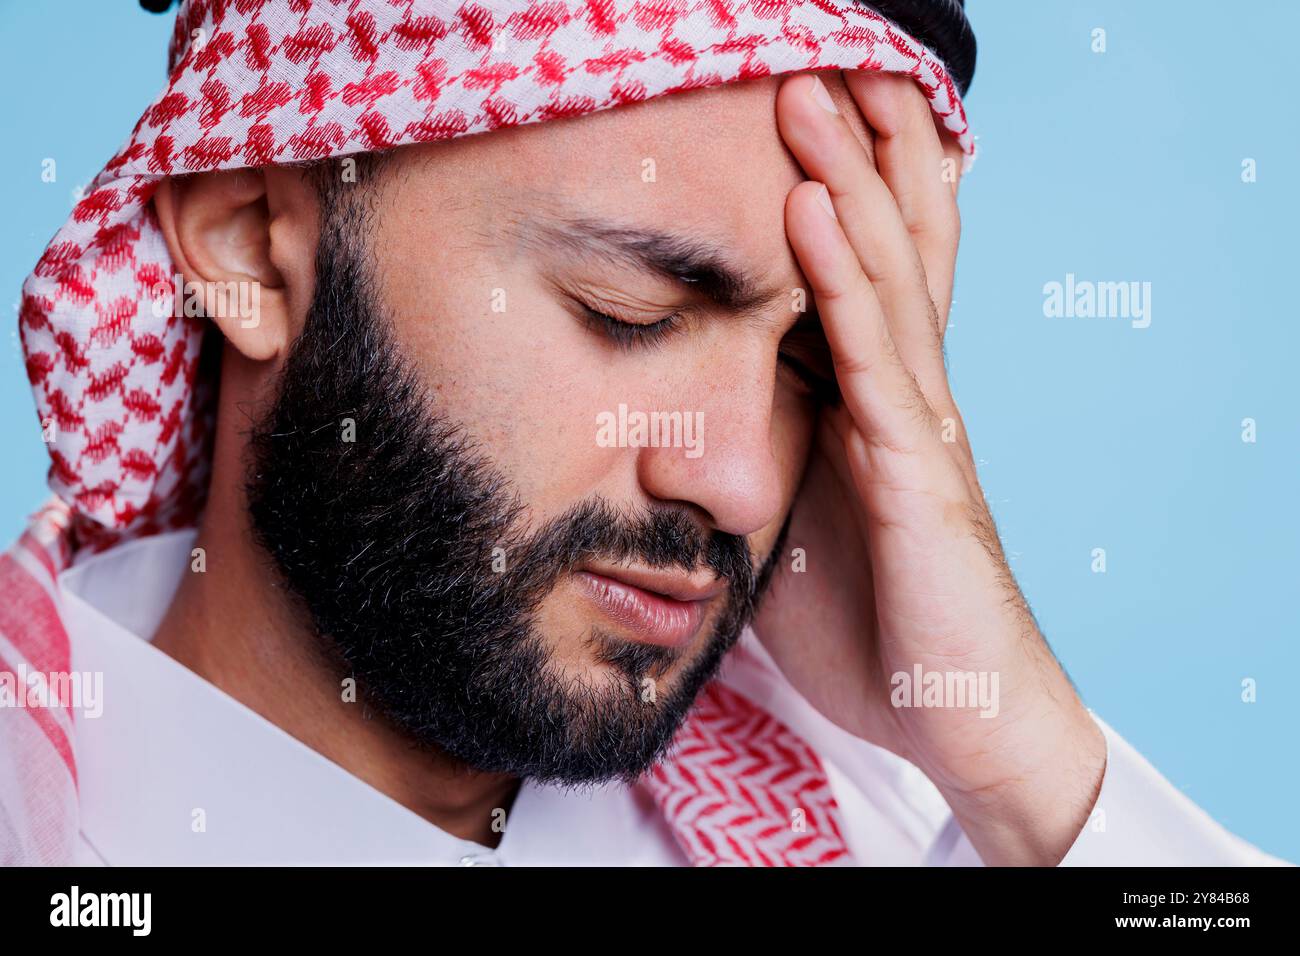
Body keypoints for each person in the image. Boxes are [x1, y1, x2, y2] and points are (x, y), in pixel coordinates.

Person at [2, 0, 1282, 866]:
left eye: (806, 364)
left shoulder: (871, 809)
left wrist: (1020, 764)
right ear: (247, 243)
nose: (735, 477)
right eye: (630, 312)